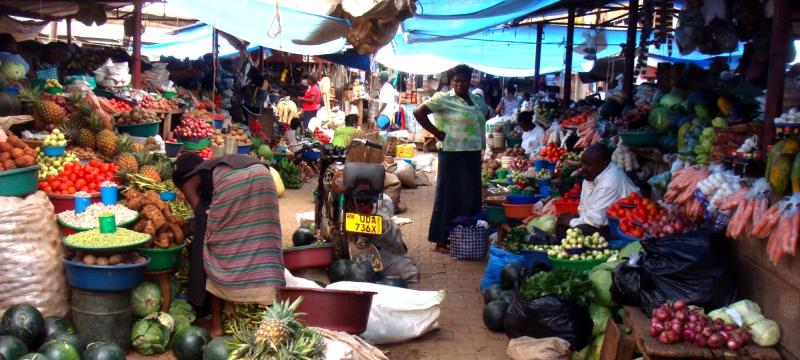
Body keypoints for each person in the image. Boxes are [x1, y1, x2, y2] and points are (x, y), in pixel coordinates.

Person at [173, 153, 284, 335]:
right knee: (263, 241)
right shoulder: (214, 166)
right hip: (264, 174)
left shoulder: (187, 181)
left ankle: (217, 326)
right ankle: (272, 320)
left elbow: (201, 215)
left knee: (215, 250)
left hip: (234, 182)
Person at [413, 64, 491, 253]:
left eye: (463, 80)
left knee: (471, 196)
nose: (459, 84)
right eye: (456, 80)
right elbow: (418, 112)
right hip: (452, 154)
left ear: (469, 81)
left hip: (472, 153)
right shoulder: (443, 99)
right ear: (452, 81)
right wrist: (437, 133)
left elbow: (486, 113)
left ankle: (466, 238)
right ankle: (441, 240)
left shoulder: (476, 99)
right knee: (449, 196)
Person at [557, 144, 639, 240]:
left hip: (617, 227)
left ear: (603, 163)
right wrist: (573, 219)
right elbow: (584, 207)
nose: (583, 168)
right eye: (582, 163)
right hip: (598, 220)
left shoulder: (611, 180)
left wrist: (572, 221)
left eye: (588, 164)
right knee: (561, 224)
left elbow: (598, 220)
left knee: (578, 231)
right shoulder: (591, 175)